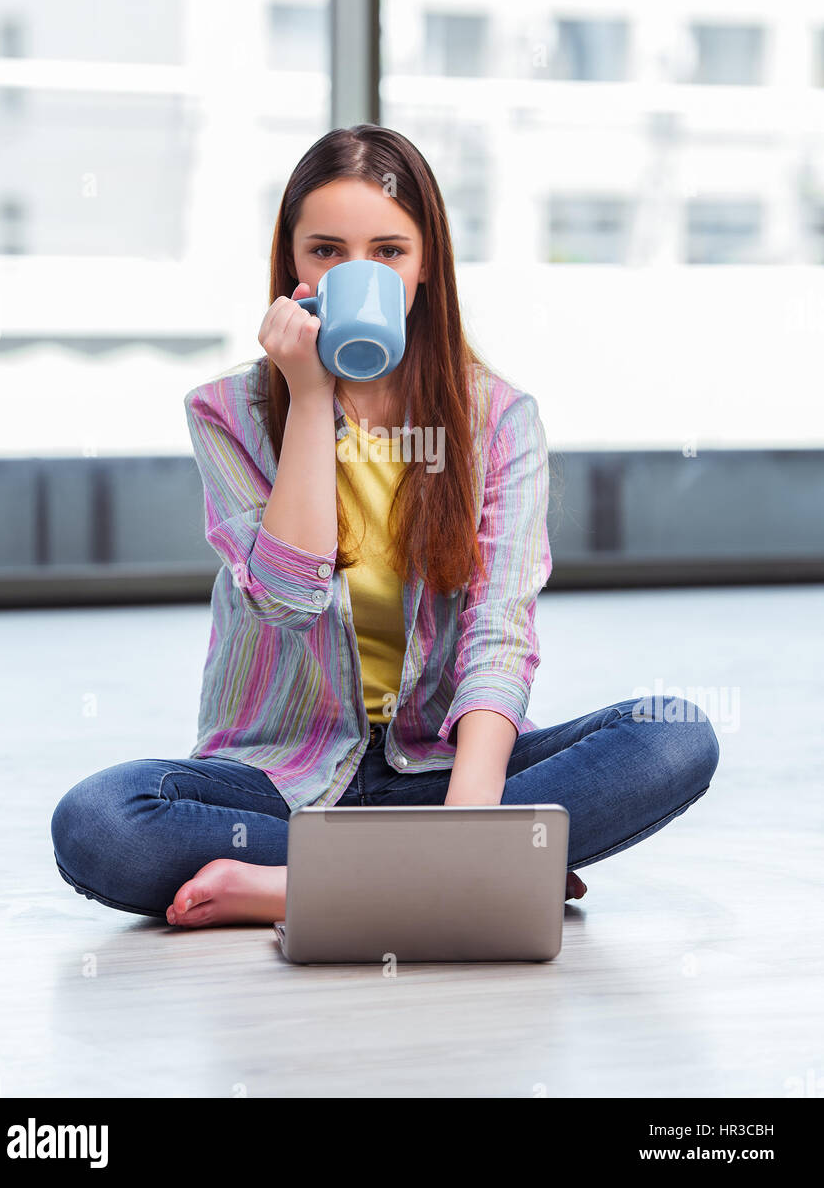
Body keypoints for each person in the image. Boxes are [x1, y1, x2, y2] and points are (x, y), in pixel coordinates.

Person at [50, 123, 720, 929]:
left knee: (673, 736)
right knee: (101, 823)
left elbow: (497, 636)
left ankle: (316, 883)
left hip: (441, 766)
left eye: (388, 252)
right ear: (292, 265)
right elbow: (287, 599)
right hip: (279, 776)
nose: (356, 275)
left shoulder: (497, 418)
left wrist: (471, 812)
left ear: (426, 259)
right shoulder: (224, 411)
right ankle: (469, 875)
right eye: (327, 252)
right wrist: (307, 398)